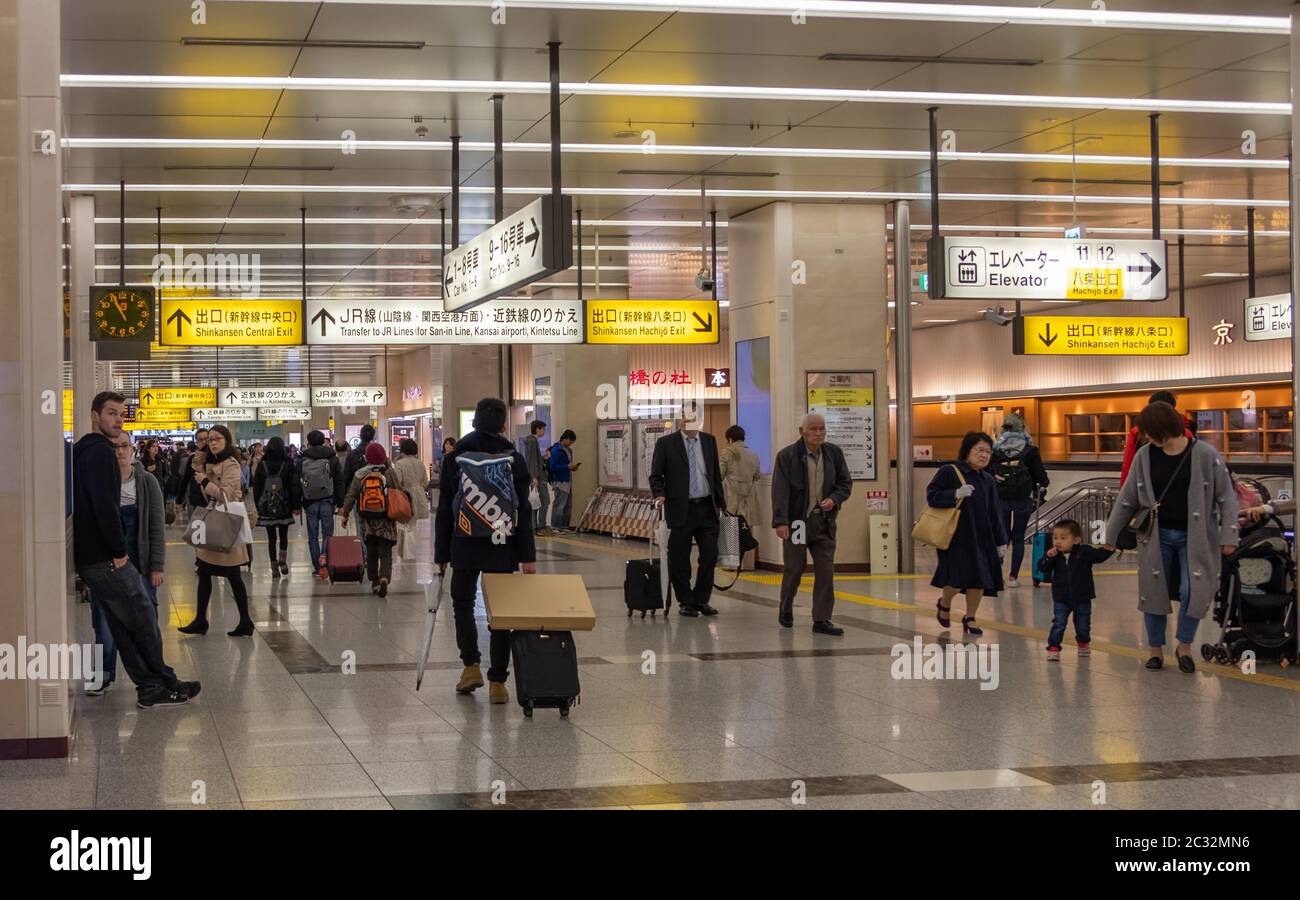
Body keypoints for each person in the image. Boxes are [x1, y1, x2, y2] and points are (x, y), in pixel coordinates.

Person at [73, 392, 197, 708]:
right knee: (142, 616)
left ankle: (149, 686)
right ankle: (165, 680)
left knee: (121, 623)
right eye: (111, 413)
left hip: (90, 556)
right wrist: (119, 552)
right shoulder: (100, 453)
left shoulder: (81, 451)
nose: (117, 419)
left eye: (121, 414)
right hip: (106, 557)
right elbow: (105, 507)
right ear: (94, 415)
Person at [1104, 401, 1238, 673]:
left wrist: (1229, 536)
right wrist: (1111, 534)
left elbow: (1227, 497)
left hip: (1196, 536)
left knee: (1195, 590)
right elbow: (1127, 498)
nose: (1146, 438)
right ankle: (1155, 651)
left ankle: (1184, 645)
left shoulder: (1204, 454)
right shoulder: (1145, 456)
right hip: (1156, 535)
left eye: (1150, 431)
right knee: (1153, 593)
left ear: (1164, 428)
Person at [435, 397, 536, 704]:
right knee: (500, 614)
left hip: (464, 543)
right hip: (501, 544)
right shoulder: (512, 458)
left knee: (463, 605)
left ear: (474, 422)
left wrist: (442, 555)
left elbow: (444, 511)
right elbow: (524, 511)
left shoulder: (455, 458)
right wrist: (527, 556)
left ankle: (471, 667)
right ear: (504, 425)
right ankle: (498, 683)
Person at [87, 435, 177, 695]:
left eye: (124, 446)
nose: (119, 452)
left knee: (147, 620)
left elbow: (156, 527)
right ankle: (101, 675)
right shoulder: (98, 483)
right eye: (113, 448)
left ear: (133, 449)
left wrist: (157, 566)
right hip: (106, 565)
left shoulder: (146, 482)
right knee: (103, 619)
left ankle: (154, 675)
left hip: (140, 560)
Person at [771, 414, 853, 635]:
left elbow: (845, 483)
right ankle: (786, 607)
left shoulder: (833, 454)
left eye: (822, 429)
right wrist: (780, 521)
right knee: (795, 568)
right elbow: (780, 490)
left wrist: (834, 499)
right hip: (797, 522)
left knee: (826, 570)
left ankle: (822, 619)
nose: (818, 433)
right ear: (802, 431)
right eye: (813, 429)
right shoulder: (787, 456)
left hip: (824, 522)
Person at [928, 431, 1009, 636]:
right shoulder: (950, 471)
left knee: (979, 579)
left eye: (988, 452)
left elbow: (995, 512)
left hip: (982, 538)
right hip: (956, 537)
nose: (984, 455)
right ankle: (945, 602)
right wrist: (954, 494)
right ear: (967, 451)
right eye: (979, 450)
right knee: (957, 578)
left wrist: (1001, 540)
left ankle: (970, 617)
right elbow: (933, 496)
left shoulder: (988, 480)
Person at [179, 425, 254, 637]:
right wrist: (201, 451)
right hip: (214, 519)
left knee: (232, 575)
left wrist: (205, 482)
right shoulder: (211, 461)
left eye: (217, 439)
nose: (212, 442)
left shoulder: (230, 464)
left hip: (225, 522)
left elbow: (229, 495)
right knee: (204, 572)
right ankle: (201, 619)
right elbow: (196, 465)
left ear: (227, 440)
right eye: (209, 439)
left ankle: (245, 621)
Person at [650, 421, 726, 617]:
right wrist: (659, 494)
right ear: (681, 420)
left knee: (710, 555)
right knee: (679, 558)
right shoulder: (666, 443)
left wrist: (720, 503)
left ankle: (702, 599)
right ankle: (686, 601)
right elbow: (656, 475)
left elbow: (714, 473)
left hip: (706, 508)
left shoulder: (709, 441)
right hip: (680, 508)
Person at [1037, 519, 1113, 661]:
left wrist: (1109, 549)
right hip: (1061, 597)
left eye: (1063, 538)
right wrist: (1047, 557)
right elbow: (1042, 568)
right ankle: (1053, 647)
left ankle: (1083, 642)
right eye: (1055, 538)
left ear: (1076, 540)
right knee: (1059, 623)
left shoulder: (1084, 552)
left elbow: (1098, 556)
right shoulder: (1054, 556)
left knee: (1083, 624)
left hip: (1082, 597)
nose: (1058, 541)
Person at [990, 413, 1049, 587]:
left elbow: (990, 472)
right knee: (1018, 537)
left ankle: (997, 574)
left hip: (1001, 498)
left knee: (1002, 536)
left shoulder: (997, 449)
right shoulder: (1029, 450)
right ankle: (1013, 577)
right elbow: (1041, 476)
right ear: (1023, 429)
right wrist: (1042, 484)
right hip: (1023, 499)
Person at [341, 442, 400, 597]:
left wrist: (345, 514)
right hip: (386, 518)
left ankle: (374, 582)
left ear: (367, 457)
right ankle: (385, 577)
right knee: (386, 552)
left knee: (371, 550)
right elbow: (398, 491)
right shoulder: (389, 473)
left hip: (367, 519)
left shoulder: (360, 474)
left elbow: (351, 495)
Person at [1120, 390, 1196, 484]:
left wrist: (1125, 488)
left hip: (1148, 485)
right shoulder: (1186, 433)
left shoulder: (1137, 432)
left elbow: (1128, 465)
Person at [298, 429, 345, 578]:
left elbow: (296, 483)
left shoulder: (302, 459)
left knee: (312, 535)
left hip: (310, 500)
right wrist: (340, 502)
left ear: (309, 442)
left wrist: (296, 503)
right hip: (327, 499)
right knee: (327, 534)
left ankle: (317, 567)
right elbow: (339, 482)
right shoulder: (332, 458)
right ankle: (324, 558)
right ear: (323, 441)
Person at [253, 436, 298, 578]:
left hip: (266, 506)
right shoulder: (288, 463)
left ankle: (273, 567)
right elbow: (294, 486)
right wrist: (295, 505)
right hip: (284, 505)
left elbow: (257, 488)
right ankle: (282, 560)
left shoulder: (262, 464)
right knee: (283, 535)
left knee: (271, 538)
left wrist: (258, 506)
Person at [719, 424, 761, 569]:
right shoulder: (753, 454)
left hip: (732, 497)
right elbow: (757, 476)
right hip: (749, 497)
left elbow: (719, 475)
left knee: (730, 528)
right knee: (747, 528)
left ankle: (731, 565)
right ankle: (749, 564)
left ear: (730, 439)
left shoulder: (727, 453)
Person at [392, 437, 431, 559]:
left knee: (406, 524)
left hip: (405, 496)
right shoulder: (420, 463)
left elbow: (397, 481)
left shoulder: (399, 464)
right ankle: (410, 552)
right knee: (413, 524)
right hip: (419, 495)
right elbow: (425, 482)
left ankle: (407, 553)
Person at [345, 424, 377, 564]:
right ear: (373, 436)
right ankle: (375, 554)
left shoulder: (353, 454)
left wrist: (344, 503)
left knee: (361, 526)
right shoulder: (378, 452)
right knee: (377, 525)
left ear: (360, 435)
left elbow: (347, 478)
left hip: (360, 497)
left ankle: (365, 555)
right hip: (378, 495)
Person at [548, 429, 580, 530]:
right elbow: (552, 466)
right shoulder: (557, 450)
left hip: (568, 480)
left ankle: (565, 526)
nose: (570, 444)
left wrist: (573, 467)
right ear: (565, 439)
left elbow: (568, 465)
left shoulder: (569, 450)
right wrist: (567, 467)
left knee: (568, 505)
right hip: (560, 481)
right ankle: (555, 526)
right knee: (559, 505)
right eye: (570, 441)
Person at [523, 420, 551, 535]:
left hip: (537, 476)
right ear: (537, 429)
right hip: (538, 478)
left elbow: (534, 459)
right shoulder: (532, 442)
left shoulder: (532, 441)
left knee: (536, 502)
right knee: (544, 502)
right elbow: (531, 461)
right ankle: (541, 526)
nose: (544, 431)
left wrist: (543, 458)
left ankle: (535, 527)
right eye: (543, 429)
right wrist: (534, 477)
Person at [176, 427, 210, 518]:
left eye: (206, 439)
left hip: (214, 498)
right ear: (197, 442)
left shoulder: (217, 457)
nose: (204, 442)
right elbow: (185, 478)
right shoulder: (193, 458)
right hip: (198, 498)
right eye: (200, 440)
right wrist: (179, 499)